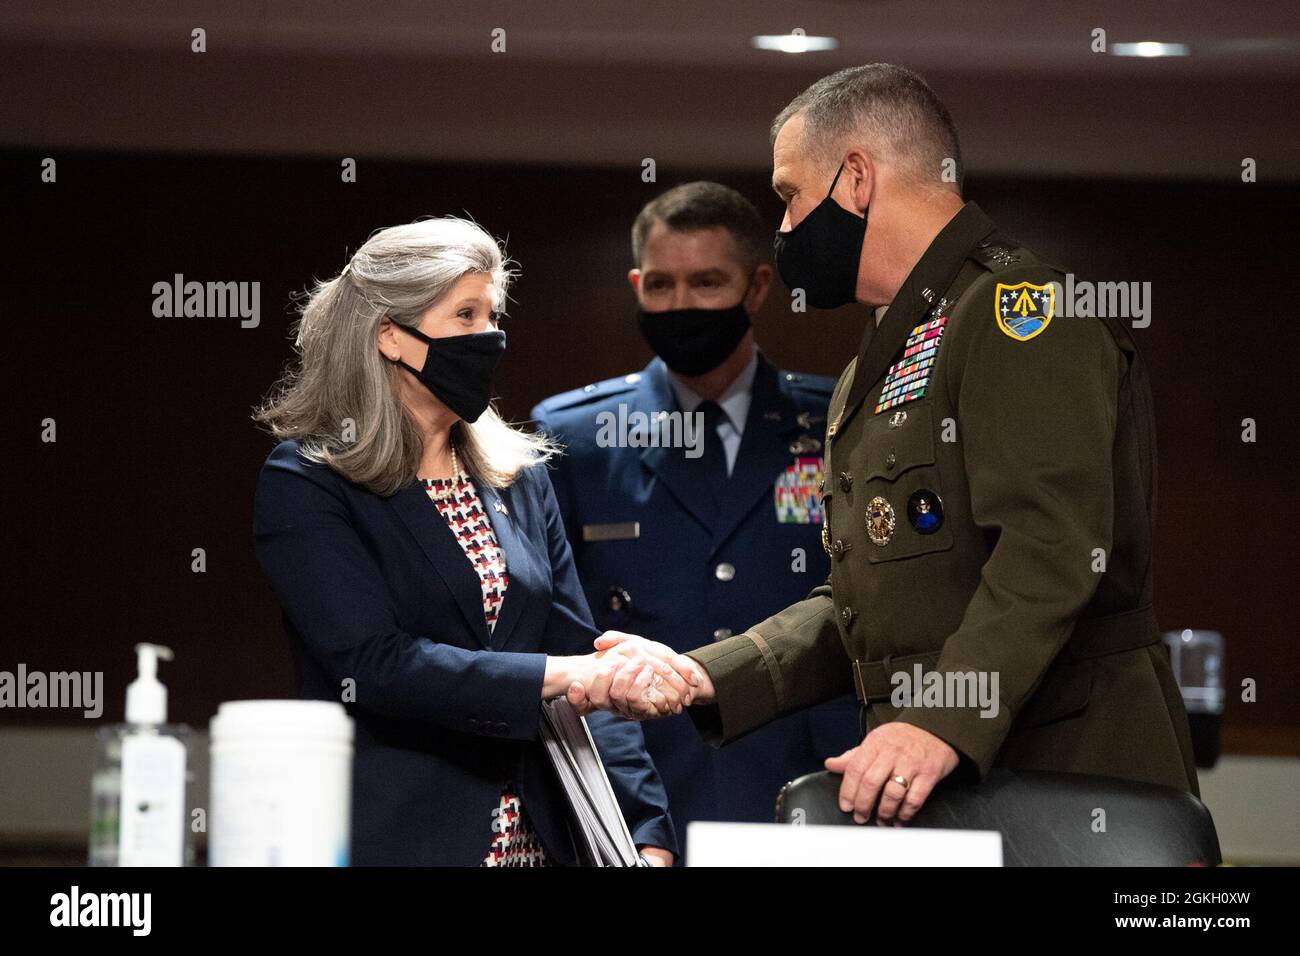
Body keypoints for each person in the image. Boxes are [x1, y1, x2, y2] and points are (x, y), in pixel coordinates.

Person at [585, 64, 1200, 827]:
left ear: (856, 179)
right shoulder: (889, 352)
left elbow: (1053, 548)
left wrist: (940, 720)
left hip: (1069, 779)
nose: (781, 227)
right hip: (947, 781)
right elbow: (870, 602)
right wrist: (703, 674)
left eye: (790, 196)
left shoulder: (1019, 312)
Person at [251, 216, 684, 866]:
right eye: (467, 315)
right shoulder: (311, 481)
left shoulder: (517, 474)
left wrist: (644, 832)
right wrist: (563, 674)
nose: (492, 337)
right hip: (394, 837)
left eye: (493, 314)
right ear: (391, 337)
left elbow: (579, 650)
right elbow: (373, 665)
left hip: (540, 843)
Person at [530, 182, 859, 850]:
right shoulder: (577, 436)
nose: (681, 305)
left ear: (758, 286)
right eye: (660, 285)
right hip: (645, 785)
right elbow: (559, 629)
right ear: (636, 284)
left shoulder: (837, 423)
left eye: (707, 283)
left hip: (811, 776)